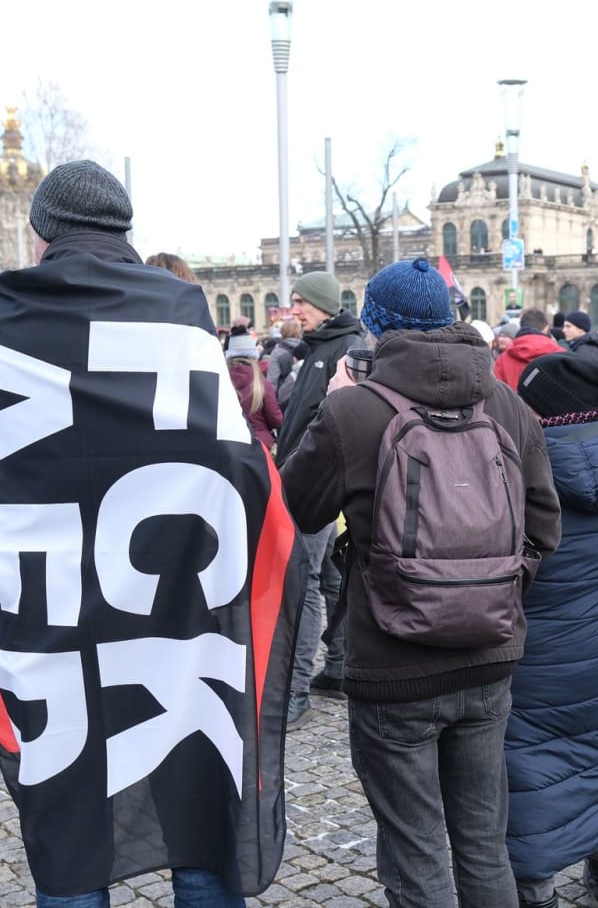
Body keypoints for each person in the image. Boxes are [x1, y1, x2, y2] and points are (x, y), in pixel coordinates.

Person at [0, 159, 299, 906]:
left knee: (70, 809)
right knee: (200, 794)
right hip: (175, 616)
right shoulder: (179, 312)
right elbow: (246, 473)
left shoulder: (0, 322)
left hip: (52, 619)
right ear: (124, 230)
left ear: (41, 232)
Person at [281, 257, 562, 907]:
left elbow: (295, 510)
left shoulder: (354, 410)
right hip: (489, 658)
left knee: (416, 852)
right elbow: (546, 529)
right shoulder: (508, 405)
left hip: (393, 666)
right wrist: (487, 586)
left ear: (377, 326)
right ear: (451, 315)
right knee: (484, 846)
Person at [508, 352, 598, 908]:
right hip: (594, 641)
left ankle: (536, 891)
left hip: (536, 648)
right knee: (588, 748)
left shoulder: (529, 470)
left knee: (528, 763)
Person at [276, 269, 366, 717]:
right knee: (330, 577)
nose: (294, 311)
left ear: (324, 305)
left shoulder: (346, 349)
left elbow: (336, 422)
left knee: (304, 582)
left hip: (319, 487)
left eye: (301, 303)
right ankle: (337, 669)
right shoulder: (320, 347)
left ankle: (294, 694)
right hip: (309, 482)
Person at [225, 330, 281, 449]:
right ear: (254, 357)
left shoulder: (221, 381)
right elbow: (276, 420)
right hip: (260, 445)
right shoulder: (262, 383)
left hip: (229, 444)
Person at [493, 307, 563, 390]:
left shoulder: (503, 359)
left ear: (521, 327)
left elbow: (498, 393)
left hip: (513, 402)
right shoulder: (562, 356)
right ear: (546, 329)